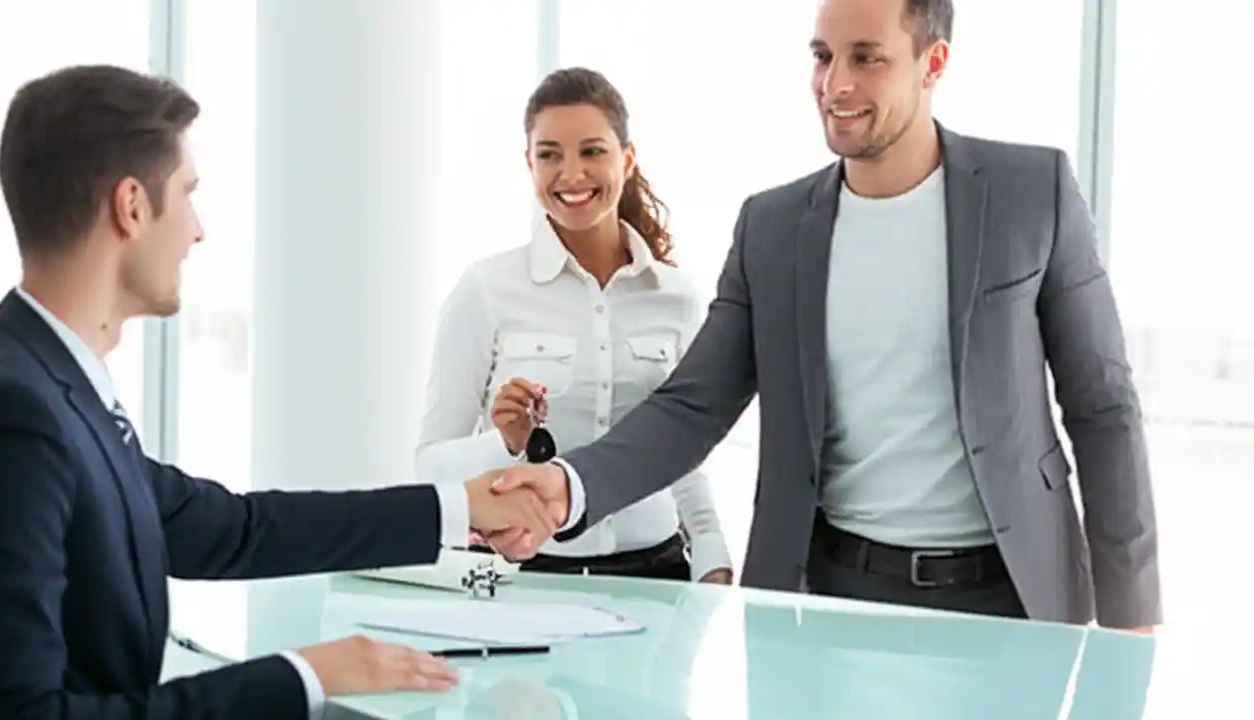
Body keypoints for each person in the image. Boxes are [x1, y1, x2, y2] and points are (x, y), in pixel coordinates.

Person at [491, 0, 1161, 632]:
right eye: (823, 56)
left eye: (866, 58)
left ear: (932, 63)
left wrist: (1130, 612)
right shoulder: (773, 228)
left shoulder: (1031, 192)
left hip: (1011, 597)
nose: (835, 84)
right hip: (831, 594)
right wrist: (569, 486)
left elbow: (1102, 405)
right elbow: (692, 407)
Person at [0, 64, 560, 718]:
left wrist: (458, 507)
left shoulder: (49, 386)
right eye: (188, 194)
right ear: (131, 206)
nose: (197, 230)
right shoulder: (14, 412)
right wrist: (303, 675)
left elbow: (228, 529)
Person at [415, 68, 732, 584]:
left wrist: (712, 554)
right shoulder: (486, 289)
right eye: (549, 155)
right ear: (529, 163)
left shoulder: (675, 297)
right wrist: (505, 443)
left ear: (626, 160)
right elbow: (430, 468)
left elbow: (682, 446)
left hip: (658, 575)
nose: (571, 173)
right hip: (526, 579)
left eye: (591, 151)